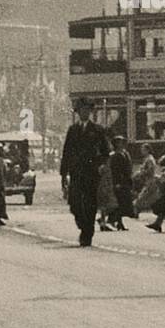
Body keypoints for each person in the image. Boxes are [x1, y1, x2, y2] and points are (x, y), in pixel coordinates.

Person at [60, 101, 110, 245]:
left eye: (87, 110)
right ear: (78, 112)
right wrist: (63, 173)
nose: (85, 112)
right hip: (76, 171)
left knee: (89, 202)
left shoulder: (97, 130)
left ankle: (87, 233)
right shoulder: (73, 130)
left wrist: (101, 164)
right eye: (82, 110)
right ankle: (82, 224)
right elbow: (67, 152)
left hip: (91, 171)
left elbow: (105, 151)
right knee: (74, 202)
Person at [109, 135, 135, 229]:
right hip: (120, 181)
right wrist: (116, 182)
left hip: (126, 180)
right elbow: (115, 170)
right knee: (120, 202)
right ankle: (114, 220)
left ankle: (118, 222)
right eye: (120, 142)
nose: (122, 144)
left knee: (124, 202)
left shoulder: (125, 153)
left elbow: (128, 167)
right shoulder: (115, 155)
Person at [133, 145, 160, 216]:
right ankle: (136, 212)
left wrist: (141, 173)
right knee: (149, 198)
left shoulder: (149, 159)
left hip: (150, 181)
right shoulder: (147, 159)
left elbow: (150, 170)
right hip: (148, 181)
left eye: (143, 150)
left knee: (141, 197)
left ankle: (136, 212)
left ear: (148, 150)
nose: (142, 151)